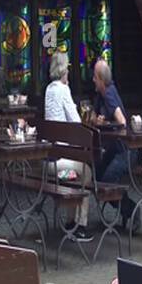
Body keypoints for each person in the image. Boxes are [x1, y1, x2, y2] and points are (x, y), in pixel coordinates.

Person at [44, 52, 92, 239]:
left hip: (50, 163)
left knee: (75, 174)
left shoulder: (49, 89)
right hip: (60, 167)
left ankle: (71, 220)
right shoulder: (63, 90)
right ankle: (80, 224)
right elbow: (76, 122)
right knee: (86, 172)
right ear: (65, 70)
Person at [91, 59, 138, 230]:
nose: (93, 80)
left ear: (102, 80)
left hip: (124, 150)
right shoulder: (100, 95)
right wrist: (99, 120)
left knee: (107, 181)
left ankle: (131, 210)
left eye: (95, 77)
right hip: (113, 149)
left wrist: (107, 122)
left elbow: (122, 121)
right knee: (97, 178)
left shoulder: (109, 93)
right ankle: (126, 210)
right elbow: (93, 117)